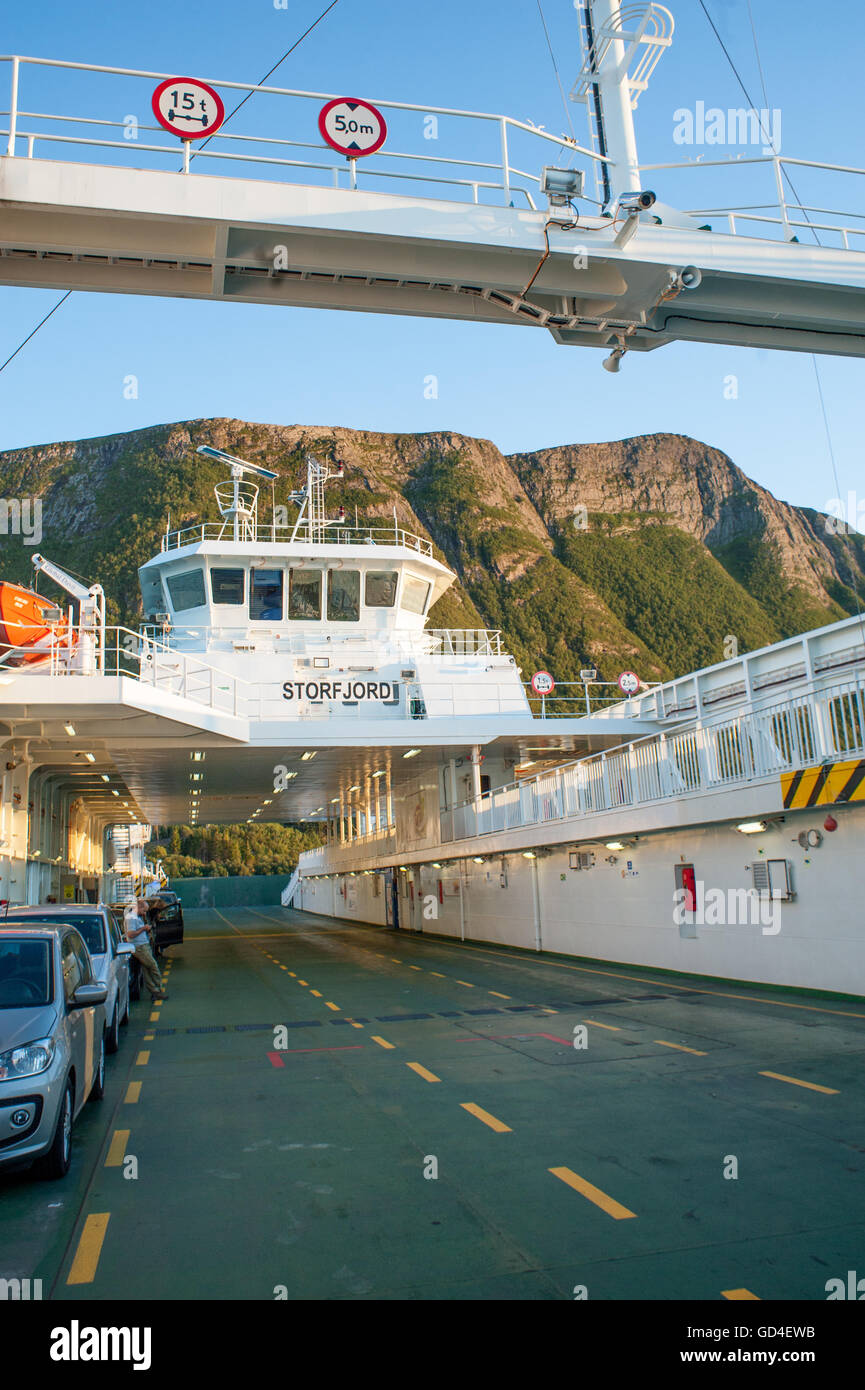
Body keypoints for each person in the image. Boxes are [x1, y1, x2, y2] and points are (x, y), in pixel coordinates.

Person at [124, 897, 167, 1001]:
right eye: (144, 910)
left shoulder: (137, 917)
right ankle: (159, 989)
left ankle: (154, 992)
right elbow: (130, 934)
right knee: (153, 966)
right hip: (139, 947)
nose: (144, 913)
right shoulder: (131, 918)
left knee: (147, 970)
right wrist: (143, 928)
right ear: (138, 907)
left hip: (143, 945)